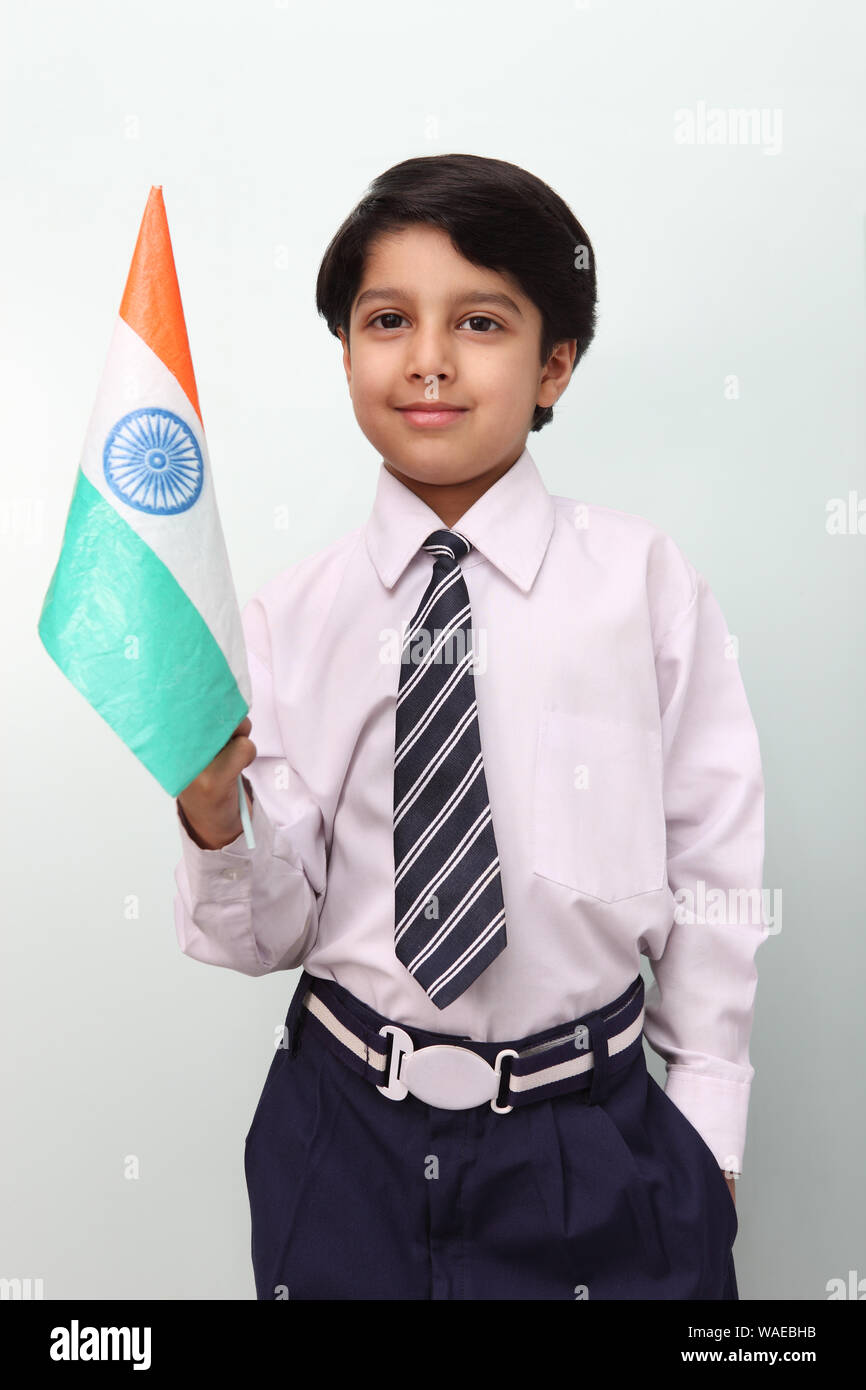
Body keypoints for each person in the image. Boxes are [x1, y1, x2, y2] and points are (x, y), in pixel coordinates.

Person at [173, 153, 767, 1301]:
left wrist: (708, 1134)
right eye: (387, 319)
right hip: (344, 1136)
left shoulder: (639, 583)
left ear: (553, 363)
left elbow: (713, 867)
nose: (428, 358)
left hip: (590, 1136)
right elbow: (268, 933)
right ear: (344, 350)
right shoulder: (288, 617)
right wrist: (213, 819)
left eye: (480, 322)